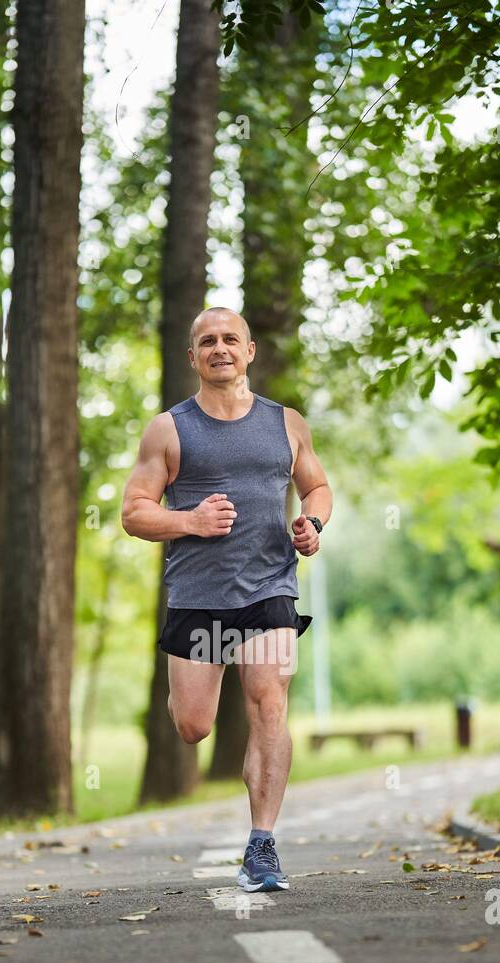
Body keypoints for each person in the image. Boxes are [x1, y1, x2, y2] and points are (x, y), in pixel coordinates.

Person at [121, 307, 332, 890]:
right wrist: (189, 520)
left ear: (249, 351)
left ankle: (262, 844)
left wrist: (312, 524)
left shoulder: (286, 423)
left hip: (269, 587)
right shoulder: (168, 429)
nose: (219, 348)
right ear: (193, 357)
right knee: (193, 726)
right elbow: (134, 512)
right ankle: (192, 709)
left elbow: (315, 485)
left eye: (229, 339)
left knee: (269, 704)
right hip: (198, 596)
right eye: (207, 341)